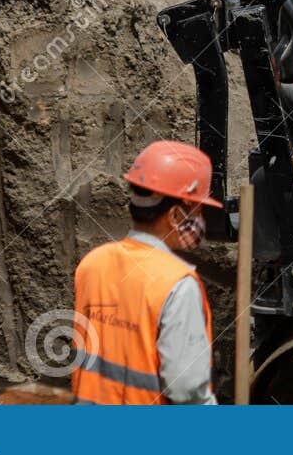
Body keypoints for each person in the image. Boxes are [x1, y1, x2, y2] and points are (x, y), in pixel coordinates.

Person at [70, 141, 218, 404]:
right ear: (175, 215)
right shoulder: (177, 285)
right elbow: (186, 390)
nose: (200, 220)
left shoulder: (92, 263)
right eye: (198, 210)